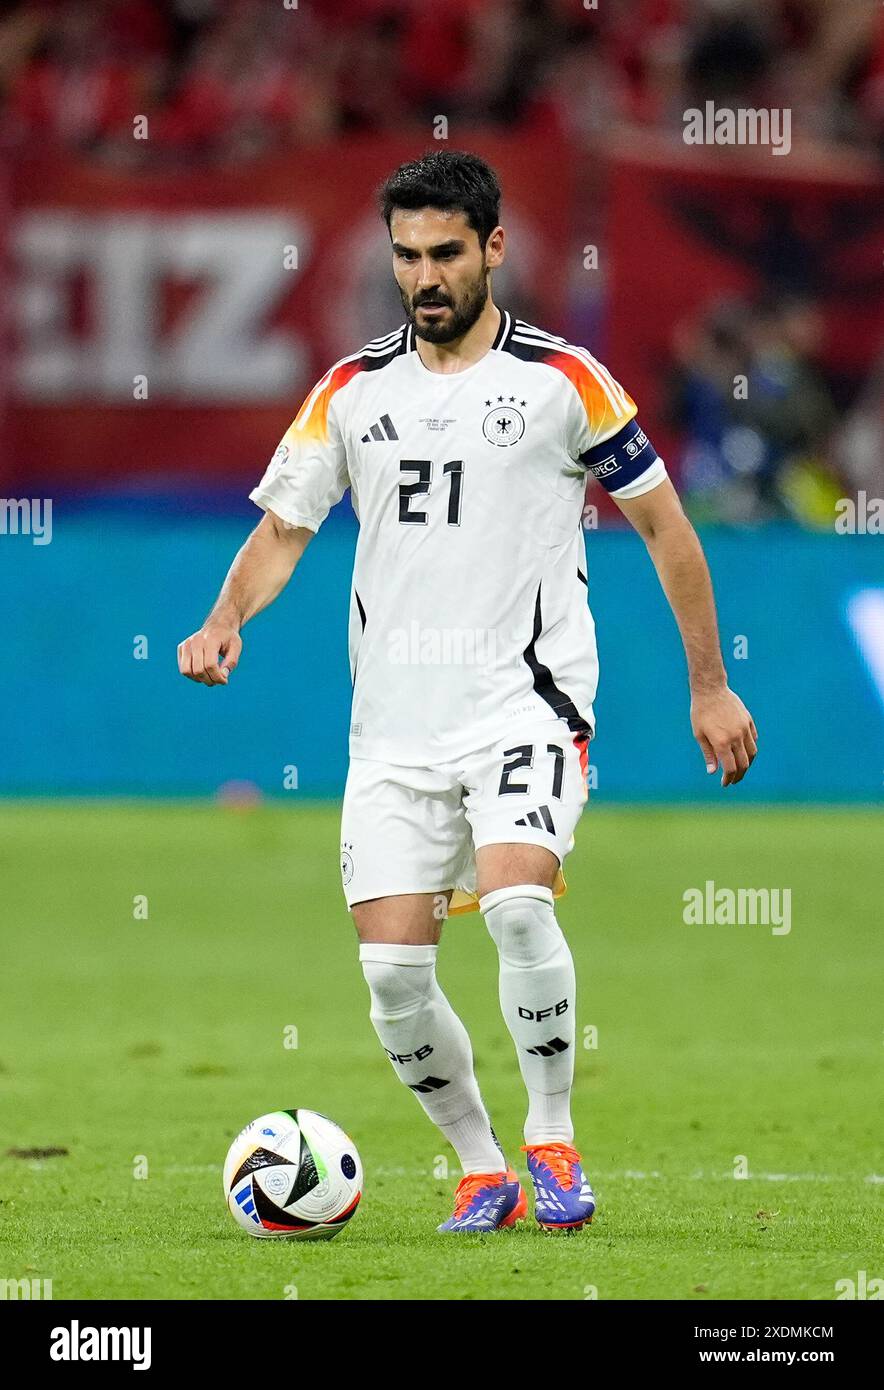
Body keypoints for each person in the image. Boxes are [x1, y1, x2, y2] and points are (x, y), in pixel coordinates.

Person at [178, 150, 757, 1235]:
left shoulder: (563, 380)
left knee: (517, 901)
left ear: (493, 249)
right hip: (393, 728)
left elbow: (667, 528)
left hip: (522, 706)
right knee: (393, 977)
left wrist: (708, 685)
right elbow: (283, 530)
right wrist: (223, 620)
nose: (424, 275)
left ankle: (550, 1140)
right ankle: (479, 1164)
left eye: (445, 251)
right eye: (406, 256)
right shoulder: (350, 390)